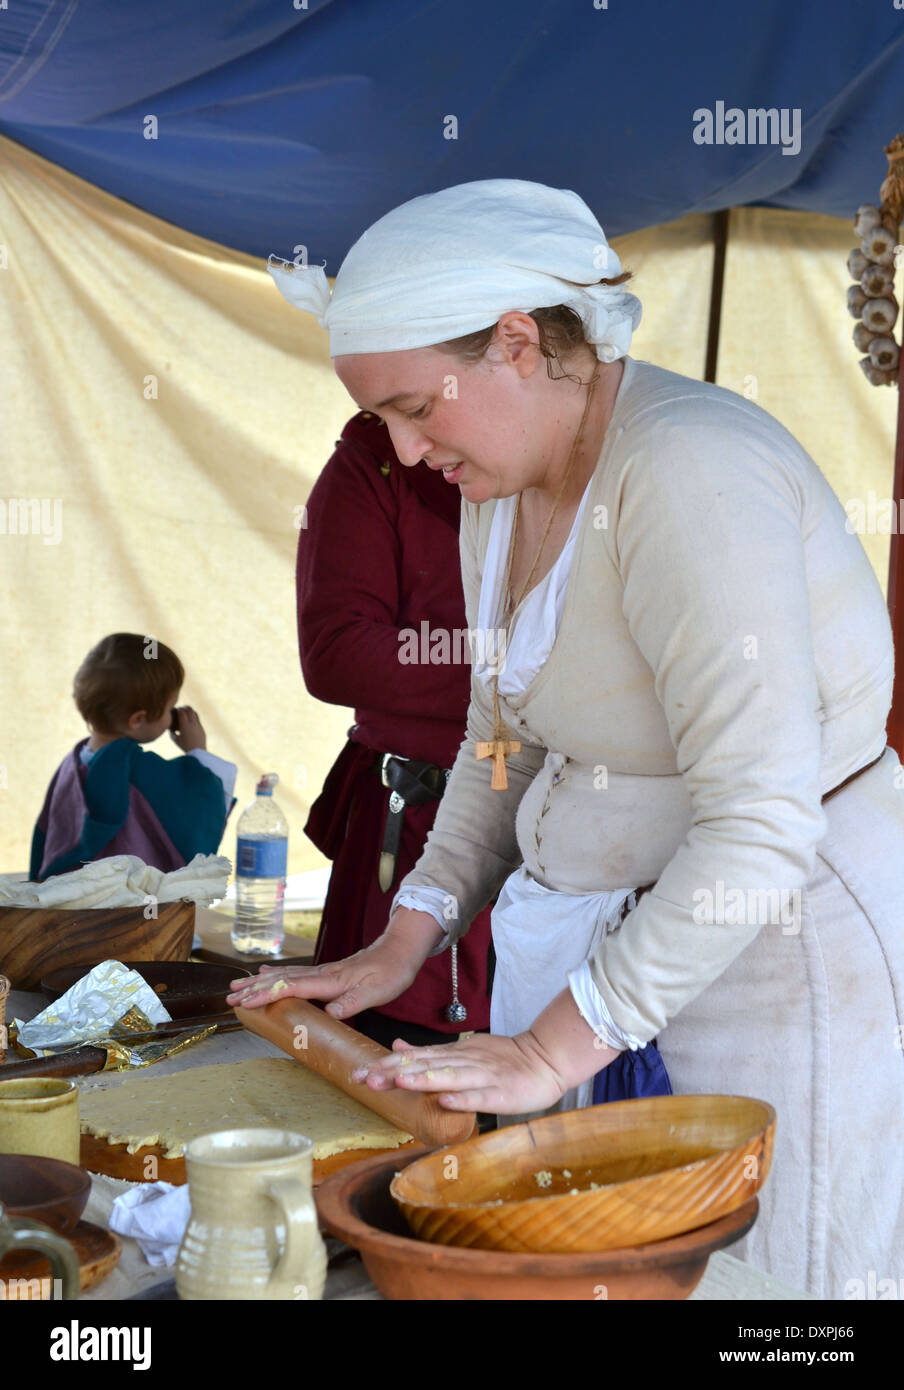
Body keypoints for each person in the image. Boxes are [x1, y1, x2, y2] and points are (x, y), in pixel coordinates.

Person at [229, 179, 904, 1297]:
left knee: (771, 1286)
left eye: (415, 408)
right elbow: (504, 737)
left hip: (778, 956)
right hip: (620, 968)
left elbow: (758, 823)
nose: (405, 454)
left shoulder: (685, 470)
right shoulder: (505, 486)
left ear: (515, 344)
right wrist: (411, 930)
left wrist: (551, 1048)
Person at [296, 409, 493, 1046]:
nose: (411, 440)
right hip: (417, 827)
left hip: (573, 837)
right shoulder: (374, 466)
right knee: (393, 1074)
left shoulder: (598, 465)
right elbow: (337, 651)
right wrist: (512, 667)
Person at [31, 632, 236, 880]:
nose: (172, 715)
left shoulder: (70, 765)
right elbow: (198, 808)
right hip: (127, 904)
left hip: (70, 900)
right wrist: (198, 753)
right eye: (169, 708)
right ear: (138, 719)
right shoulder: (140, 772)